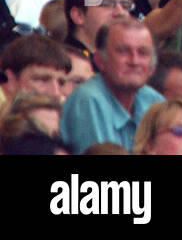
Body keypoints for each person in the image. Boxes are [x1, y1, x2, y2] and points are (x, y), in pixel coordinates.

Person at [60, 17, 164, 154]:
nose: (134, 61)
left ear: (152, 66)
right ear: (99, 60)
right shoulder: (88, 99)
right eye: (123, 51)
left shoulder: (152, 98)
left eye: (143, 53)